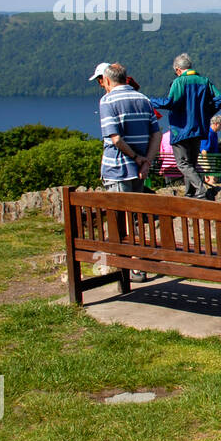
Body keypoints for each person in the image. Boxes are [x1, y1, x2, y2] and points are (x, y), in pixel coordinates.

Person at [95, 62, 160, 281]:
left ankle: (133, 266)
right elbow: (157, 135)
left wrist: (134, 157)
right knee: (135, 216)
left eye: (101, 81)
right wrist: (146, 162)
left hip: (118, 168)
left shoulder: (107, 101)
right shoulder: (143, 99)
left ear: (108, 79)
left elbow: (115, 139)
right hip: (140, 171)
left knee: (122, 219)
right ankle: (137, 262)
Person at [148, 53, 221, 199]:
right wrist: (206, 112)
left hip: (181, 130)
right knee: (191, 162)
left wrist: (150, 101)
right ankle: (190, 193)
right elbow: (220, 99)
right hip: (199, 129)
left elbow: (170, 102)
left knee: (183, 164)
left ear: (178, 69)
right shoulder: (204, 81)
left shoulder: (179, 82)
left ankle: (200, 188)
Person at [201, 114, 221, 184]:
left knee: (214, 178)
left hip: (212, 159)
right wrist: (206, 163)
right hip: (207, 159)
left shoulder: (214, 133)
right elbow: (203, 150)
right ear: (216, 124)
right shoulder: (209, 133)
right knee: (211, 179)